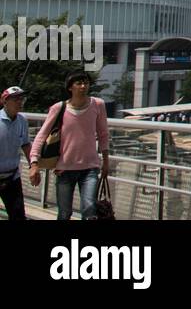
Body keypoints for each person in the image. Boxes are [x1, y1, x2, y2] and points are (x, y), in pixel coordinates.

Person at [29, 71, 110, 220]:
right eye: (78, 83)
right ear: (70, 87)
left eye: (85, 82)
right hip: (64, 168)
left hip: (90, 167)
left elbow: (103, 134)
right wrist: (34, 163)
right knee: (64, 213)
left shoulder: (98, 105)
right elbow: (41, 135)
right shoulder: (59, 108)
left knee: (89, 209)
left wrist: (106, 161)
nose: (83, 86)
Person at [1, 86, 31, 220]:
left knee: (18, 215)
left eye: (21, 99)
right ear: (4, 101)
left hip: (12, 177)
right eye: (15, 99)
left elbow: (25, 144)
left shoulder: (22, 120)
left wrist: (34, 165)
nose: (19, 102)